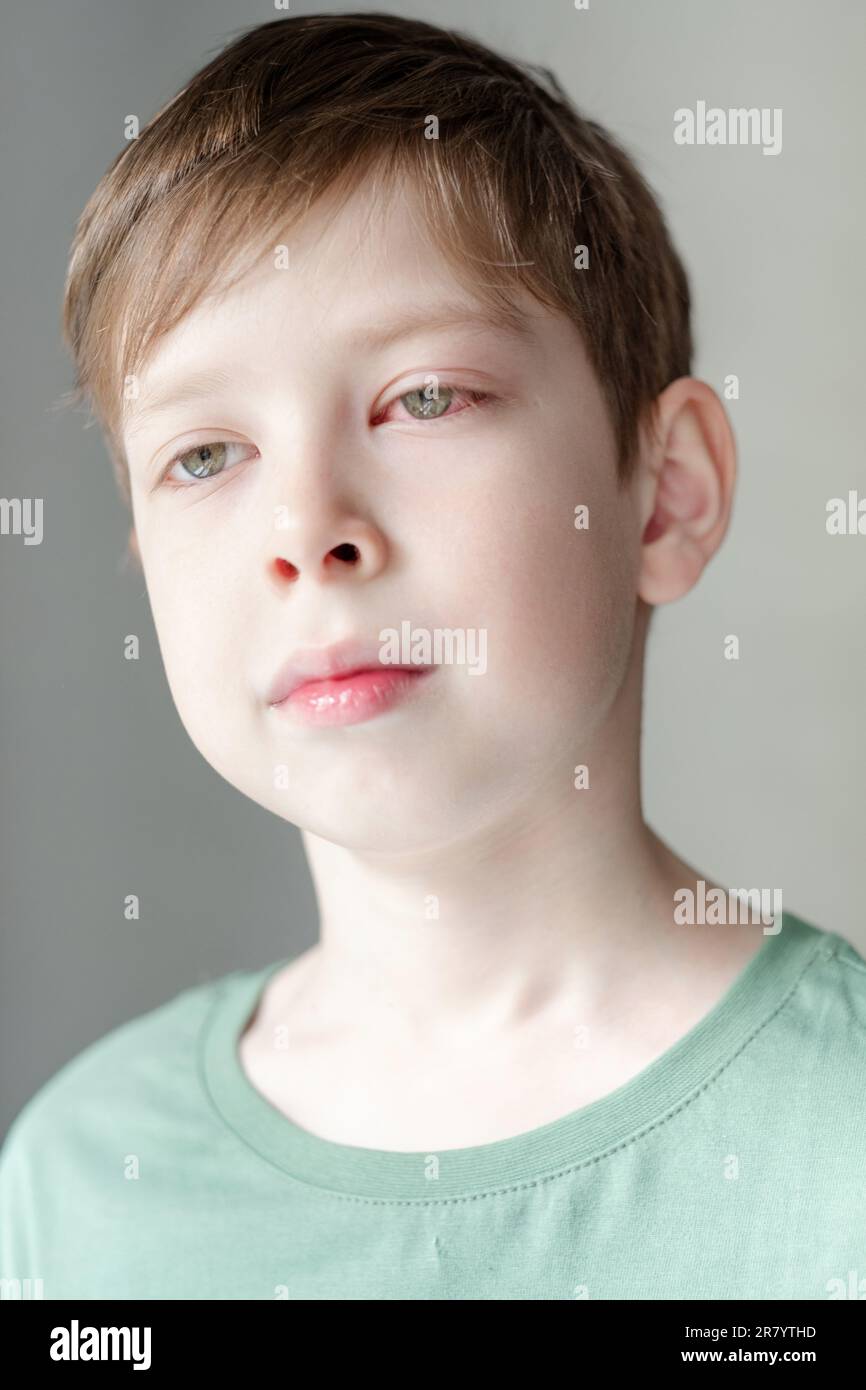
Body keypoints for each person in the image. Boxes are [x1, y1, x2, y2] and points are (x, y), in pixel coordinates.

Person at [1, 11, 863, 1301]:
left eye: (424, 398)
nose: (307, 533)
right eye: (205, 454)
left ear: (667, 494)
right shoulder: (78, 1181)